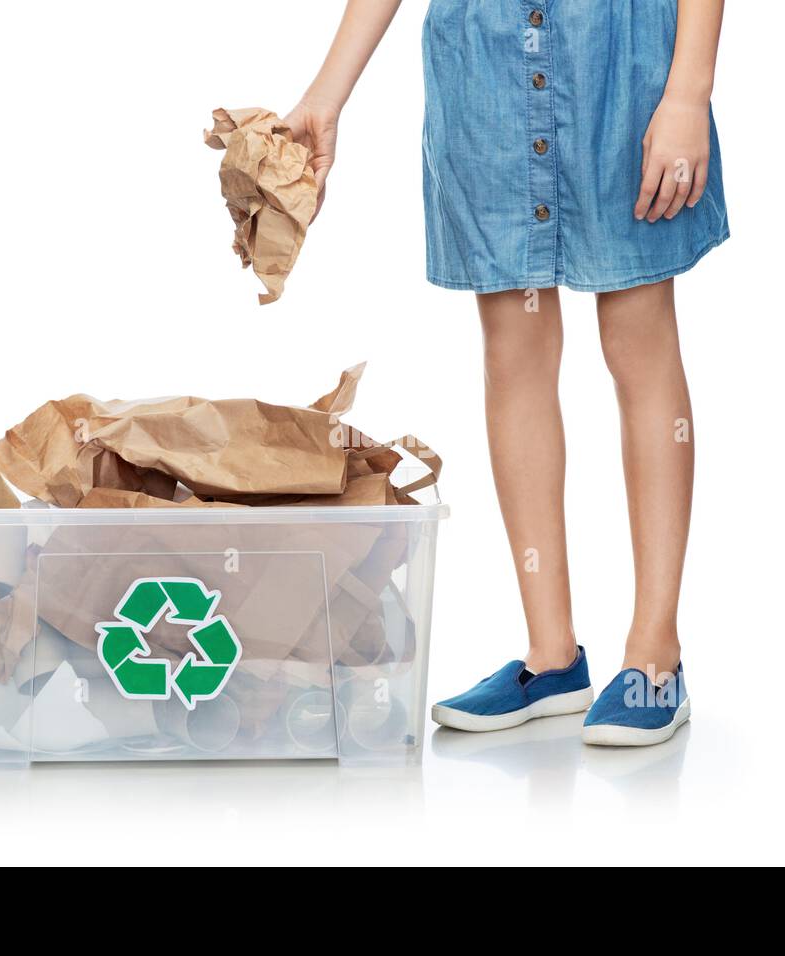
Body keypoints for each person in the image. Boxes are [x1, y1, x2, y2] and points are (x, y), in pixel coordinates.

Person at [287, 0, 728, 746]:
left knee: (637, 339)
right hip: (484, 64)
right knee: (512, 351)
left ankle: (656, 652)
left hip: (618, 61)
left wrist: (689, 89)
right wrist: (327, 95)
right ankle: (551, 655)